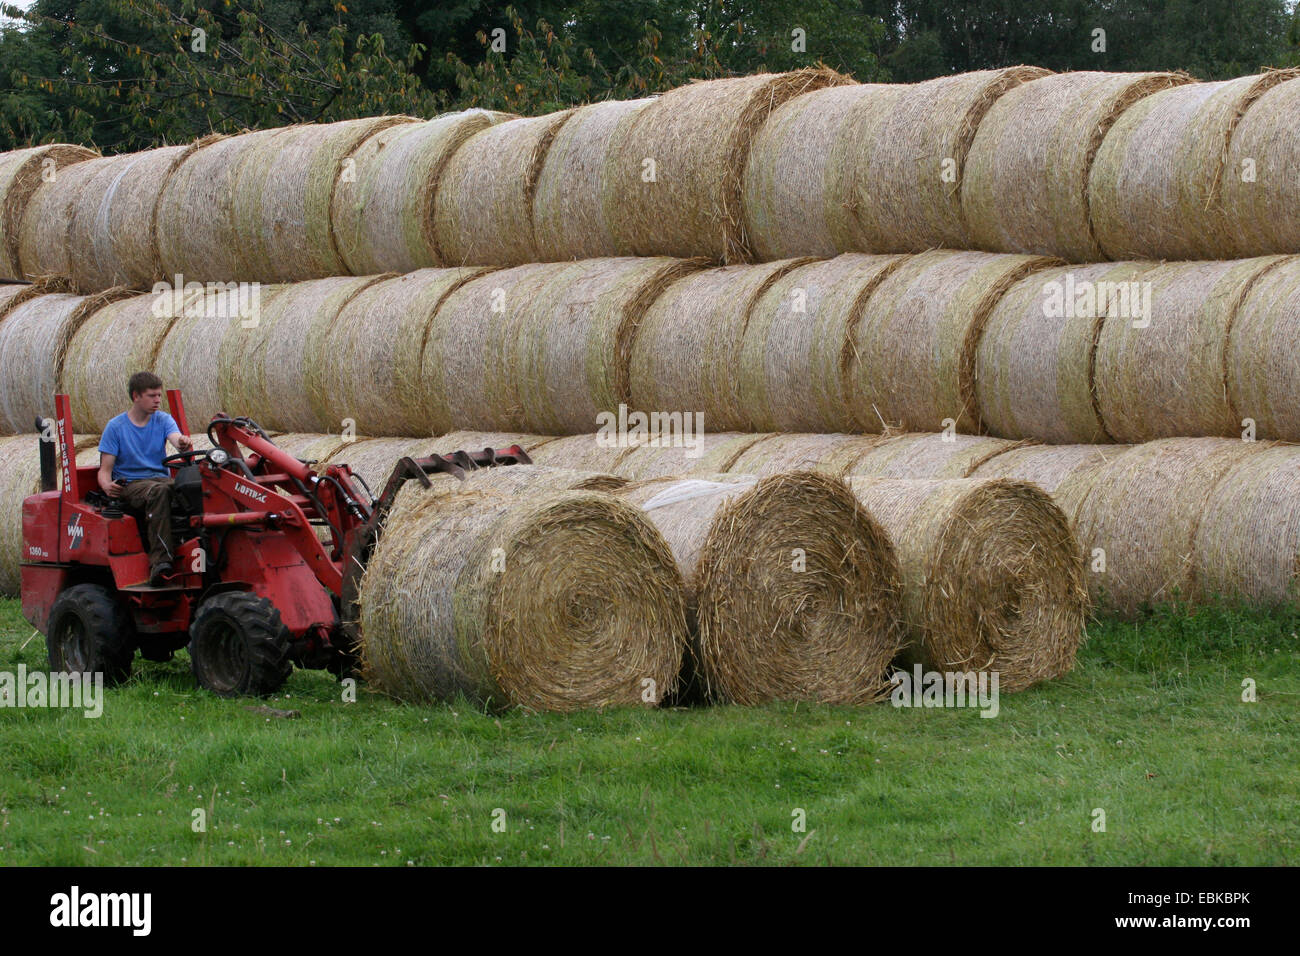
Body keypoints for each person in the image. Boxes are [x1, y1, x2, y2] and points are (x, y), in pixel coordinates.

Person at [97, 371, 193, 586]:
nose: (157, 400)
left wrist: (183, 441)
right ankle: (160, 561)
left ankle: (197, 549)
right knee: (159, 492)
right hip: (132, 484)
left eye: (159, 395)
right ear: (136, 396)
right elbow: (105, 470)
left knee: (194, 485)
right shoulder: (116, 427)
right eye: (152, 396)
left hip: (160, 479)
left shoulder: (163, 419)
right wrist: (106, 485)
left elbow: (175, 438)